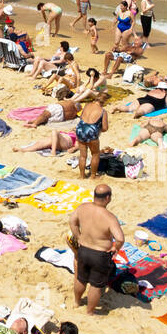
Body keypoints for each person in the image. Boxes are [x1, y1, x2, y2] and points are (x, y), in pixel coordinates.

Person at [69, 185, 136, 316]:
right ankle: (89, 312)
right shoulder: (110, 217)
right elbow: (120, 238)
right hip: (99, 254)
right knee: (96, 285)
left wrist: (78, 236)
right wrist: (115, 248)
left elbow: (72, 222)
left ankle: (77, 302)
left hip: (83, 249)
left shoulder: (82, 208)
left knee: (80, 279)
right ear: (107, 198)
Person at [74, 101, 108, 179]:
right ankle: (93, 176)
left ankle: (82, 176)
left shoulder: (87, 105)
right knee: (95, 154)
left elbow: (81, 118)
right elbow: (105, 128)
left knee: (82, 155)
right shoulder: (103, 111)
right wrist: (98, 129)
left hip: (80, 130)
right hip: (91, 131)